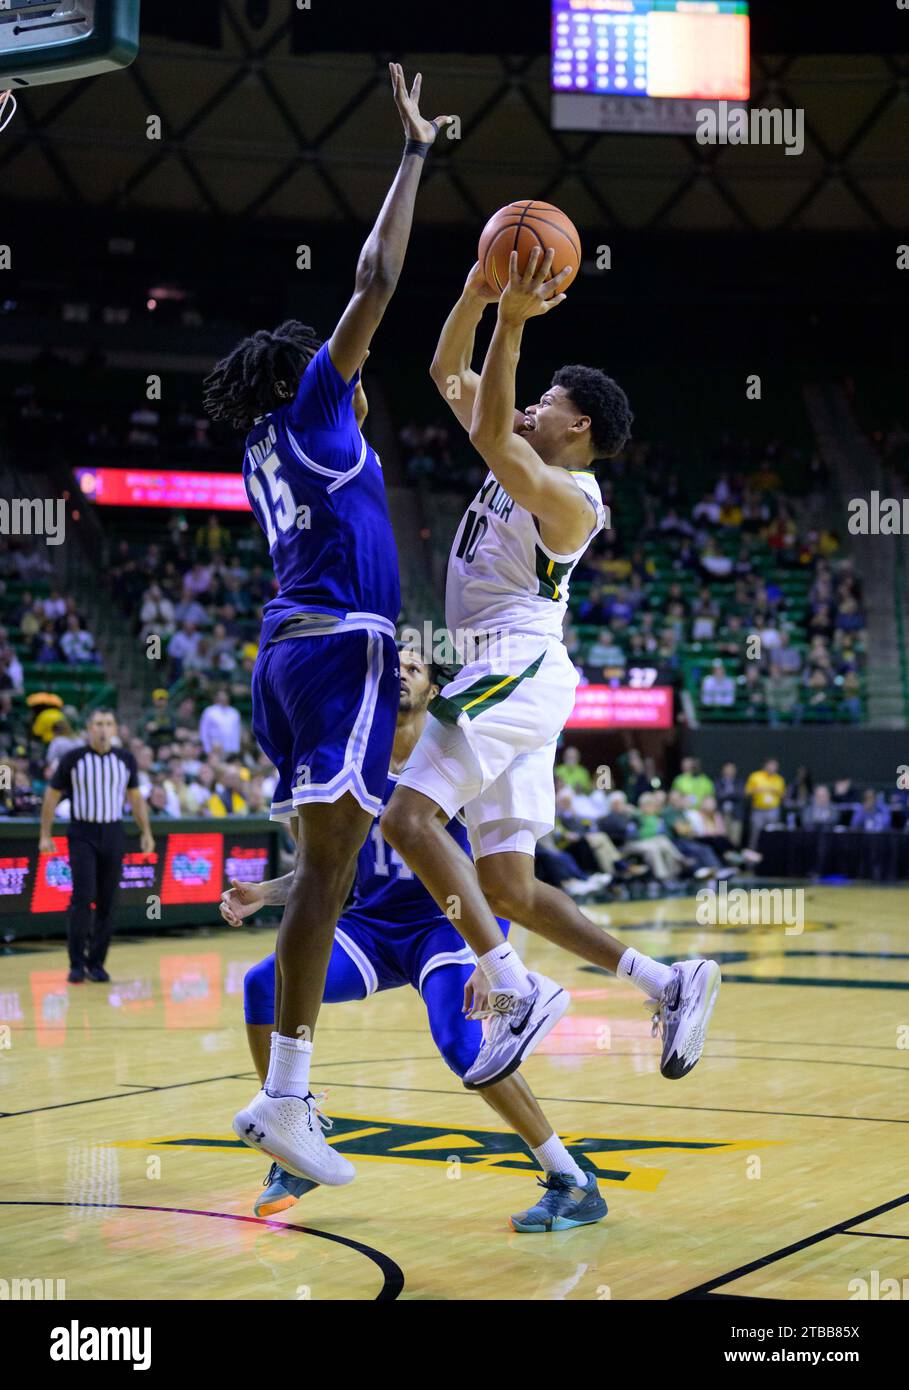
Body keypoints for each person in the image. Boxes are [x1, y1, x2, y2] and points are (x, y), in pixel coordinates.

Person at [382, 251, 720, 1089]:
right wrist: (475, 291)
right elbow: (443, 370)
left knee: (406, 820)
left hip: (514, 663)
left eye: (549, 403)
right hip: (517, 674)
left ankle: (514, 986)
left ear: (576, 432)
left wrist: (514, 322)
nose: (531, 404)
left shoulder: (571, 500)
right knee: (509, 887)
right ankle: (665, 982)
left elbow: (496, 428)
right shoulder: (517, 451)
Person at [203, 66, 454, 1188]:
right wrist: (412, 158)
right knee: (326, 873)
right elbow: (375, 277)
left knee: (325, 869)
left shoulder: (259, 445)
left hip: (284, 656)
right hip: (342, 647)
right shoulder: (316, 403)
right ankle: (288, 1096)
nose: (360, 386)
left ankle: (290, 1098)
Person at [223, 650, 608, 1233]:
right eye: (392, 665)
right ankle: (291, 1133)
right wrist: (265, 893)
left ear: (433, 689)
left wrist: (492, 957)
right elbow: (323, 870)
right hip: (371, 929)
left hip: (444, 932)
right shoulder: (357, 760)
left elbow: (495, 873)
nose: (400, 672)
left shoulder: (460, 757)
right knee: (261, 984)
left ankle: (569, 1177)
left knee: (463, 1045)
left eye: (414, 666)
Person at [38, 709, 155, 983]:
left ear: (115, 729)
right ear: (89, 728)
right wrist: (45, 834)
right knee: (83, 896)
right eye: (99, 724)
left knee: (108, 901)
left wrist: (145, 831)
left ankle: (97, 963)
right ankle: (76, 963)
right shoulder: (72, 758)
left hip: (113, 831)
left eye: (109, 724)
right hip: (82, 833)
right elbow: (51, 796)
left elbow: (136, 799)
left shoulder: (125, 759)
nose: (103, 729)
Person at [744, 757, 786, 850]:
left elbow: (784, 796)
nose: (773, 768)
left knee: (773, 835)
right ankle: (752, 862)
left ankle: (770, 858)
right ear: (765, 765)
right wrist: (757, 790)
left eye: (775, 766)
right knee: (755, 836)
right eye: (771, 765)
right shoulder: (755, 776)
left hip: (773, 810)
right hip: (758, 810)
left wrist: (776, 792)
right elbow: (747, 792)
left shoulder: (779, 779)